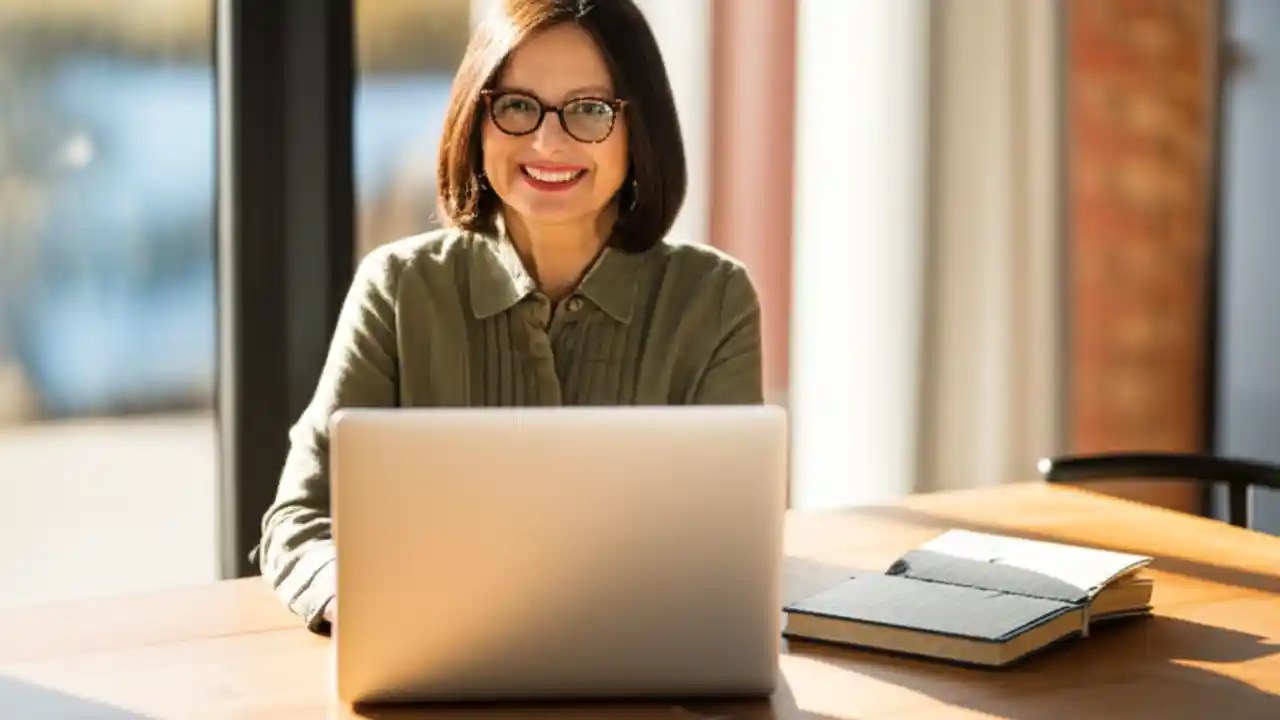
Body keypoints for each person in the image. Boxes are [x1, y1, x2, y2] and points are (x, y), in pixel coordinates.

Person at [257, 0, 764, 632]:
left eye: (589, 110)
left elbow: (727, 546)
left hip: (642, 673)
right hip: (430, 664)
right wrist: (359, 602)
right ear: (477, 118)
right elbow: (301, 520)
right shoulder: (396, 289)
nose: (548, 142)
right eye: (517, 106)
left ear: (641, 129)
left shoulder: (713, 300)